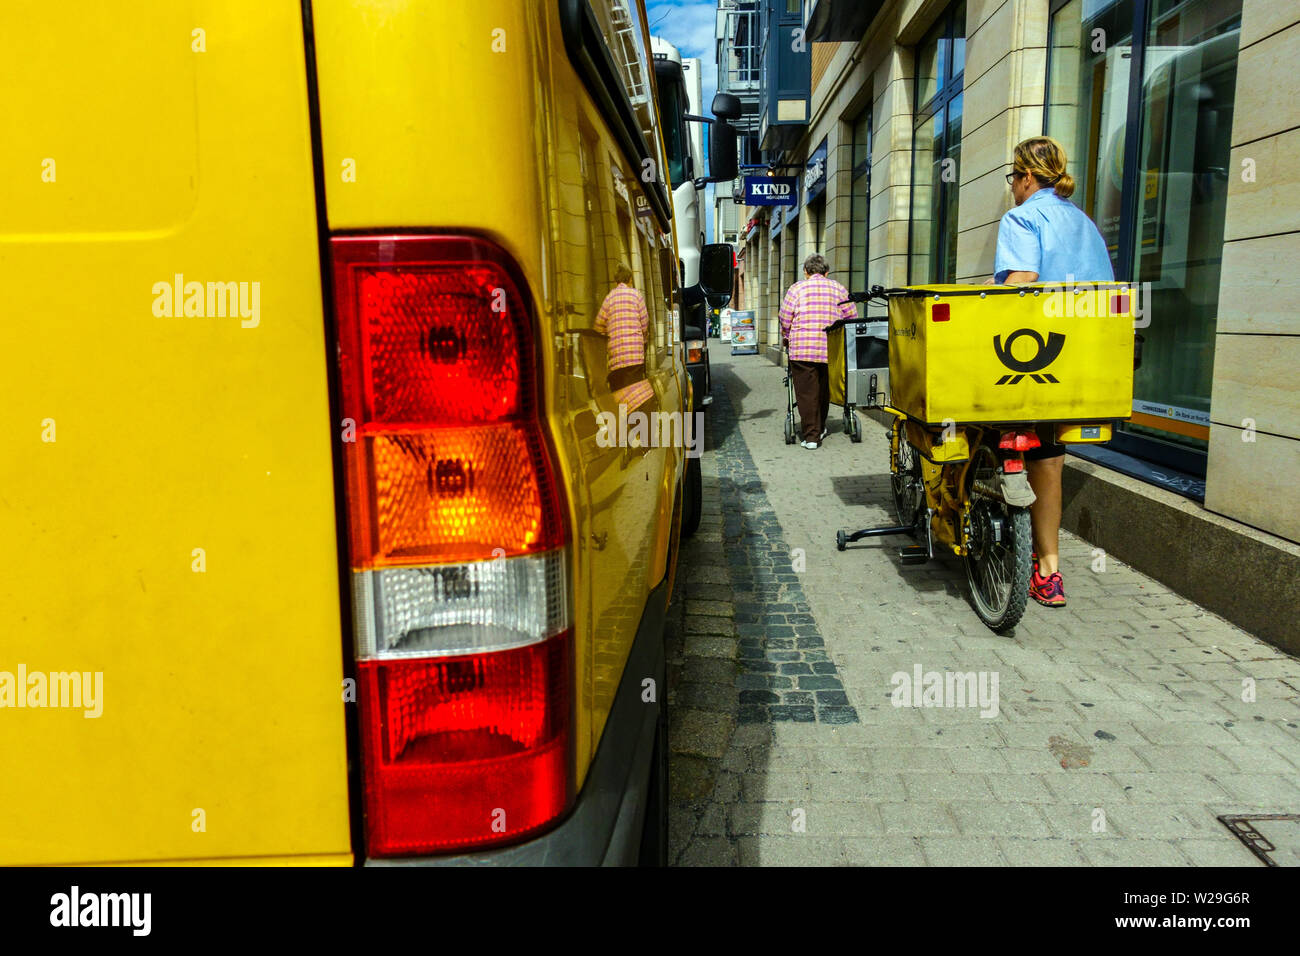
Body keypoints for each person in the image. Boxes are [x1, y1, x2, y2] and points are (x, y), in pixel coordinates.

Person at [989, 136, 1113, 609]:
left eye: (1012, 179)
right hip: (1079, 361)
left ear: (1024, 177)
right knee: (1052, 460)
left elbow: (1021, 284)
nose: (1012, 189)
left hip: (1030, 360)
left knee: (968, 420)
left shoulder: (1022, 216)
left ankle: (986, 535)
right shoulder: (1083, 223)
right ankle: (1049, 572)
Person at [778, 253, 856, 449]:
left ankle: (812, 437)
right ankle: (820, 427)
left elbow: (785, 317)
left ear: (805, 271)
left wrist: (786, 336)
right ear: (827, 272)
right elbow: (852, 316)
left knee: (806, 393)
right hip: (830, 348)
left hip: (802, 349)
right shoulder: (839, 289)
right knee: (823, 391)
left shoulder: (796, 289)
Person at [595, 262, 653, 412]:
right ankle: (639, 427)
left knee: (620, 397)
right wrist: (643, 339)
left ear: (616, 281)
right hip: (635, 356)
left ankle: (624, 426)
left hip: (616, 359)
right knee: (637, 397)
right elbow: (645, 323)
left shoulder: (609, 299)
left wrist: (608, 336)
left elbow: (598, 326)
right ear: (630, 280)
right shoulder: (636, 296)